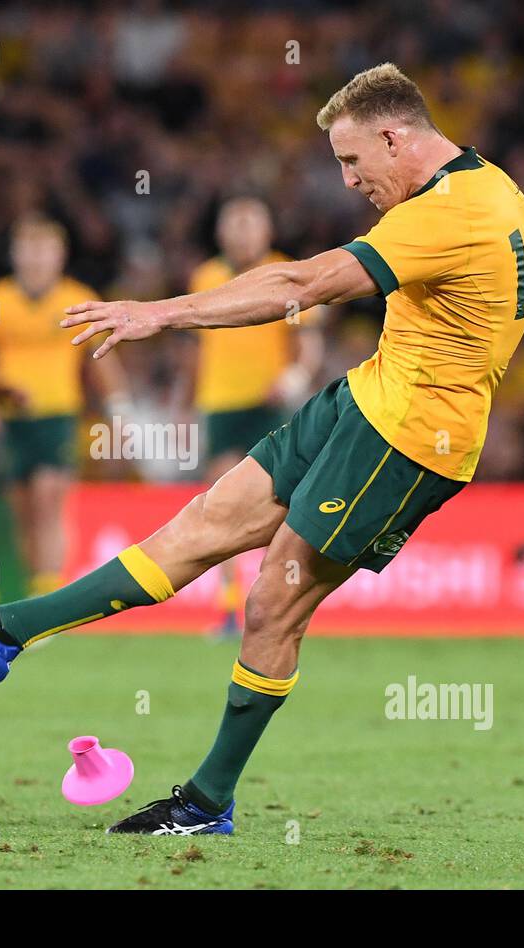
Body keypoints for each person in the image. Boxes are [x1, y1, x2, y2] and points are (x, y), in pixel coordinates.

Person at [0, 64, 524, 834]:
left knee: (272, 605)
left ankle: (205, 802)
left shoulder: (449, 215)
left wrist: (160, 313)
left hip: (408, 438)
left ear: (396, 137)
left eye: (353, 161)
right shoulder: (492, 185)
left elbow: (304, 282)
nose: (350, 180)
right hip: (366, 396)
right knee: (194, 529)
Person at [0, 217, 130, 598]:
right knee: (22, 510)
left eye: (44, 250)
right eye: (28, 250)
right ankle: (35, 591)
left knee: (48, 500)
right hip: (10, 418)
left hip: (57, 415)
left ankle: (50, 595)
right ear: (14, 255)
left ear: (60, 256)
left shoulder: (76, 299)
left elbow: (101, 358)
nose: (36, 259)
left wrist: (120, 411)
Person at [184, 197, 323, 636]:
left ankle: (281, 607)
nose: (243, 233)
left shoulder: (287, 272)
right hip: (220, 405)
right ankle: (229, 611)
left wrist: (297, 375)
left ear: (267, 232)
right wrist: (185, 400)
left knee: (282, 514)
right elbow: (195, 347)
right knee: (222, 511)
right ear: (222, 232)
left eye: (251, 224)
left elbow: (310, 338)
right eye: (235, 224)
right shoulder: (205, 275)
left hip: (271, 405)